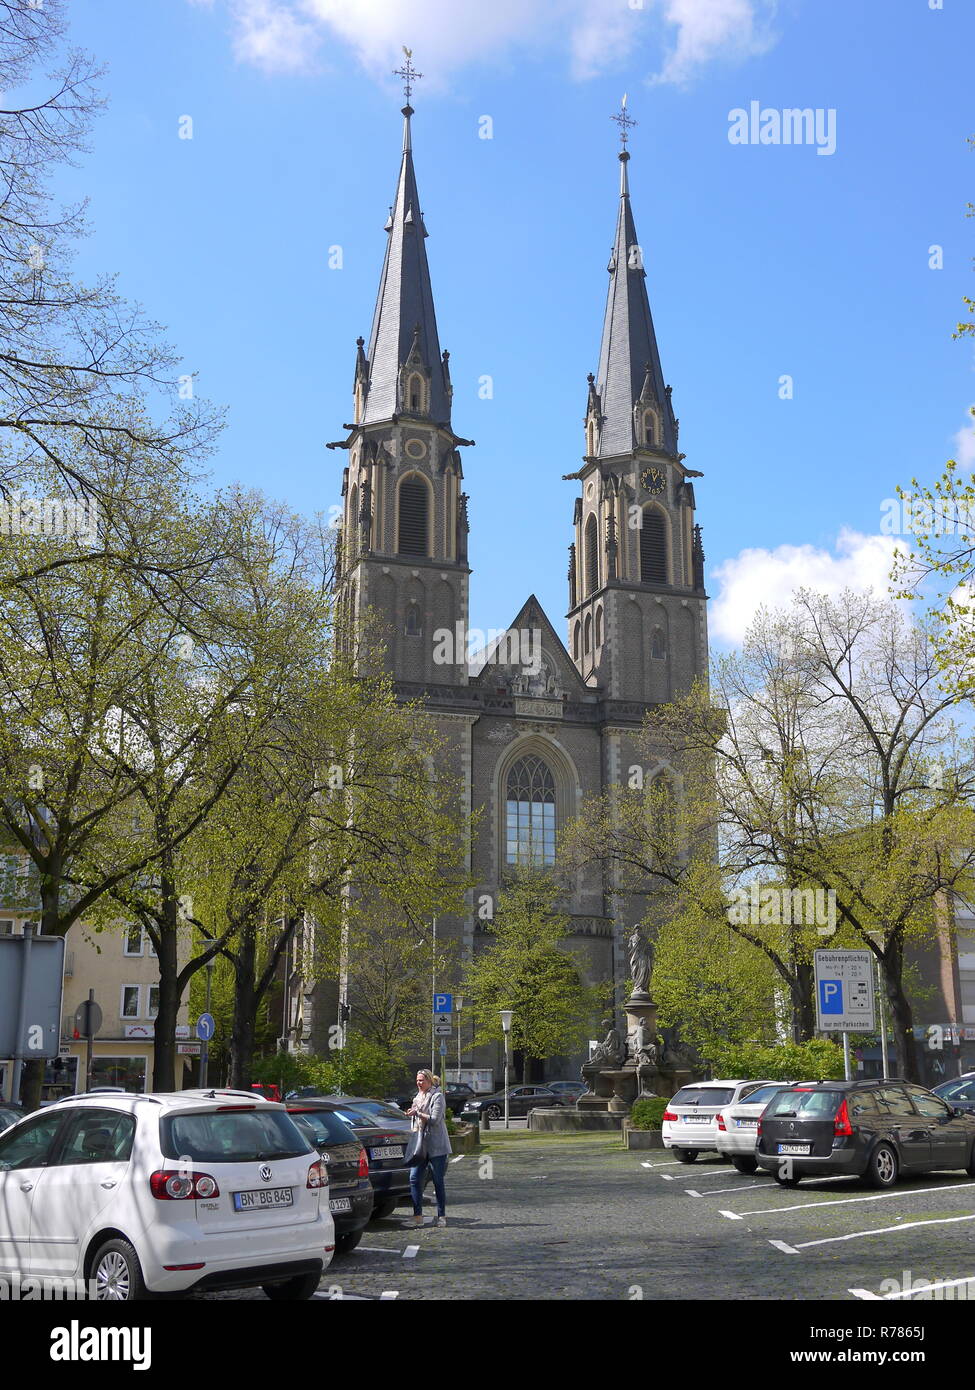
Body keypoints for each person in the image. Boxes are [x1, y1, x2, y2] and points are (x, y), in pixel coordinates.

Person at [406, 1069, 452, 1227]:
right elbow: (417, 1119)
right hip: (420, 1145)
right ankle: (417, 1215)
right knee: (414, 1178)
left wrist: (418, 1113)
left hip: (436, 1145)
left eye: (422, 1080)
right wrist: (412, 1114)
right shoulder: (417, 1097)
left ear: (429, 1081)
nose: (419, 1083)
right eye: (417, 1080)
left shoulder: (437, 1096)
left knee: (437, 1181)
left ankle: (441, 1215)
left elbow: (434, 1120)